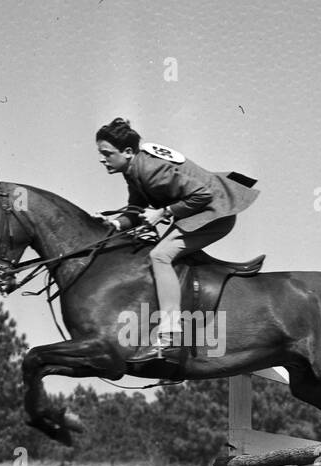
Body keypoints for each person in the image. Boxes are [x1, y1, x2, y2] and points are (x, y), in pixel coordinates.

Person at [95, 117, 260, 362]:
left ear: (128, 152)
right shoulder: (133, 169)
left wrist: (163, 212)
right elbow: (136, 211)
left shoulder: (150, 170)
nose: (102, 159)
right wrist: (115, 223)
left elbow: (202, 195)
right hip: (201, 212)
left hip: (215, 214)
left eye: (107, 153)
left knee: (160, 255)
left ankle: (171, 335)